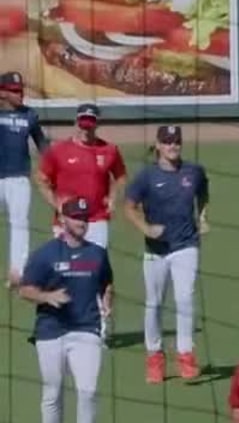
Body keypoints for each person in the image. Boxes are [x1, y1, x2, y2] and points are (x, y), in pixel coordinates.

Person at [16, 196, 110, 423]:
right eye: (76, 217)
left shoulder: (97, 254)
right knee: (53, 392)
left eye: (84, 217)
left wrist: (107, 301)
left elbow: (106, 282)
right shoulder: (45, 254)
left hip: (86, 330)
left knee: (88, 390)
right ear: (64, 220)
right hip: (50, 332)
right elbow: (24, 290)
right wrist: (47, 296)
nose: (82, 222)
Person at [124, 124, 210, 383]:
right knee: (154, 304)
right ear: (158, 145)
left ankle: (185, 355)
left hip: (186, 245)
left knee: (185, 299)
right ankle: (154, 356)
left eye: (176, 142)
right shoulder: (146, 176)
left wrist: (203, 217)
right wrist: (146, 228)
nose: (173, 146)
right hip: (156, 250)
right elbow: (129, 207)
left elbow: (203, 193)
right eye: (168, 142)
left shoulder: (193, 171)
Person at [37, 103, 124, 250]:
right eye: (82, 123)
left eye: (90, 123)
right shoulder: (58, 150)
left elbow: (120, 176)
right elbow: (41, 178)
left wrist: (113, 197)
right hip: (66, 220)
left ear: (97, 124)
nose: (86, 128)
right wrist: (56, 203)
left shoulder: (110, 150)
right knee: (64, 266)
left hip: (97, 219)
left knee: (95, 266)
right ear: (75, 123)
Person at [0, 71, 47, 288]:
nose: (20, 94)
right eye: (15, 91)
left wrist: (51, 168)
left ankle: (17, 272)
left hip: (19, 178)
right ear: (3, 93)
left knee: (19, 225)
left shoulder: (30, 115)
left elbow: (42, 145)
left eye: (21, 90)